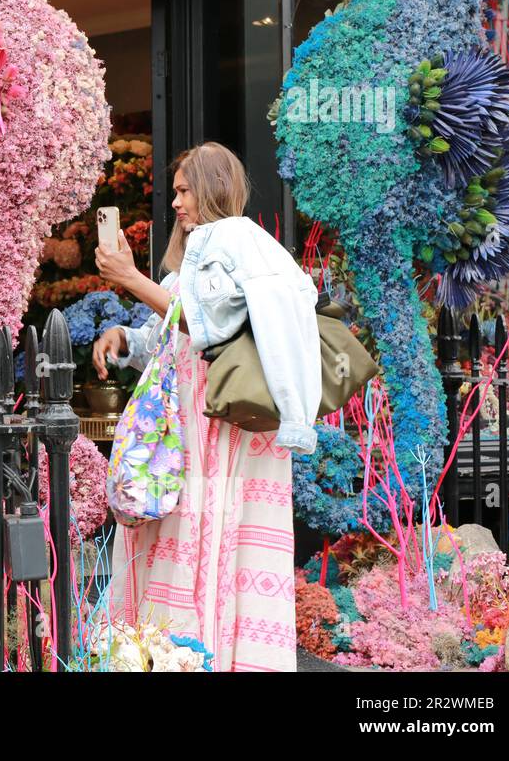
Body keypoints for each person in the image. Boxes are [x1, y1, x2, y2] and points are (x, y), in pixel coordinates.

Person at [92, 142, 321, 672]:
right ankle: (171, 653)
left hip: (218, 429)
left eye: (183, 190)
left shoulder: (235, 237)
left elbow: (205, 324)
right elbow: (167, 334)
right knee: (185, 535)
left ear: (213, 188)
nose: (175, 203)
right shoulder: (198, 256)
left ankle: (202, 654)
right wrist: (124, 339)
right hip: (193, 429)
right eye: (174, 192)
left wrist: (129, 278)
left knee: (204, 540)